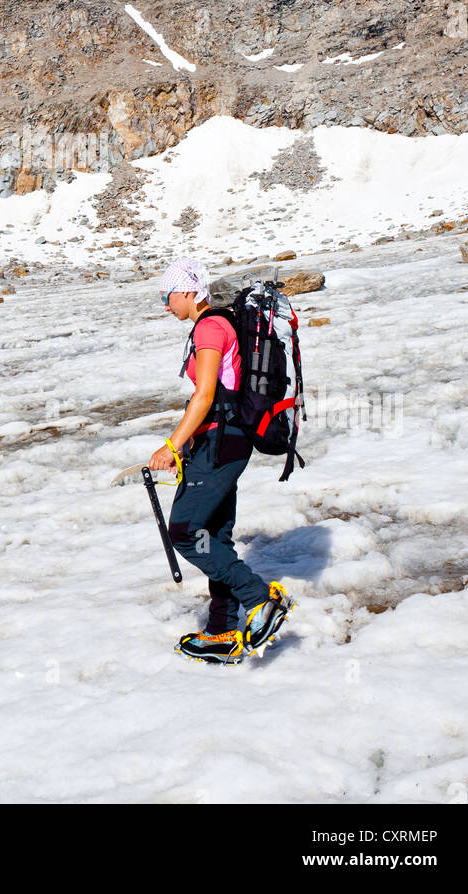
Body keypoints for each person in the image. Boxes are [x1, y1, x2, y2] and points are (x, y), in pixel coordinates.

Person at [149, 256, 294, 664]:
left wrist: (172, 445)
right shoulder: (214, 325)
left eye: (168, 296)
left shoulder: (210, 327)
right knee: (214, 533)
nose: (165, 305)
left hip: (221, 442)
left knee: (184, 530)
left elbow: (206, 396)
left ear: (188, 292)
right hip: (221, 441)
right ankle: (222, 631)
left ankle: (260, 599)